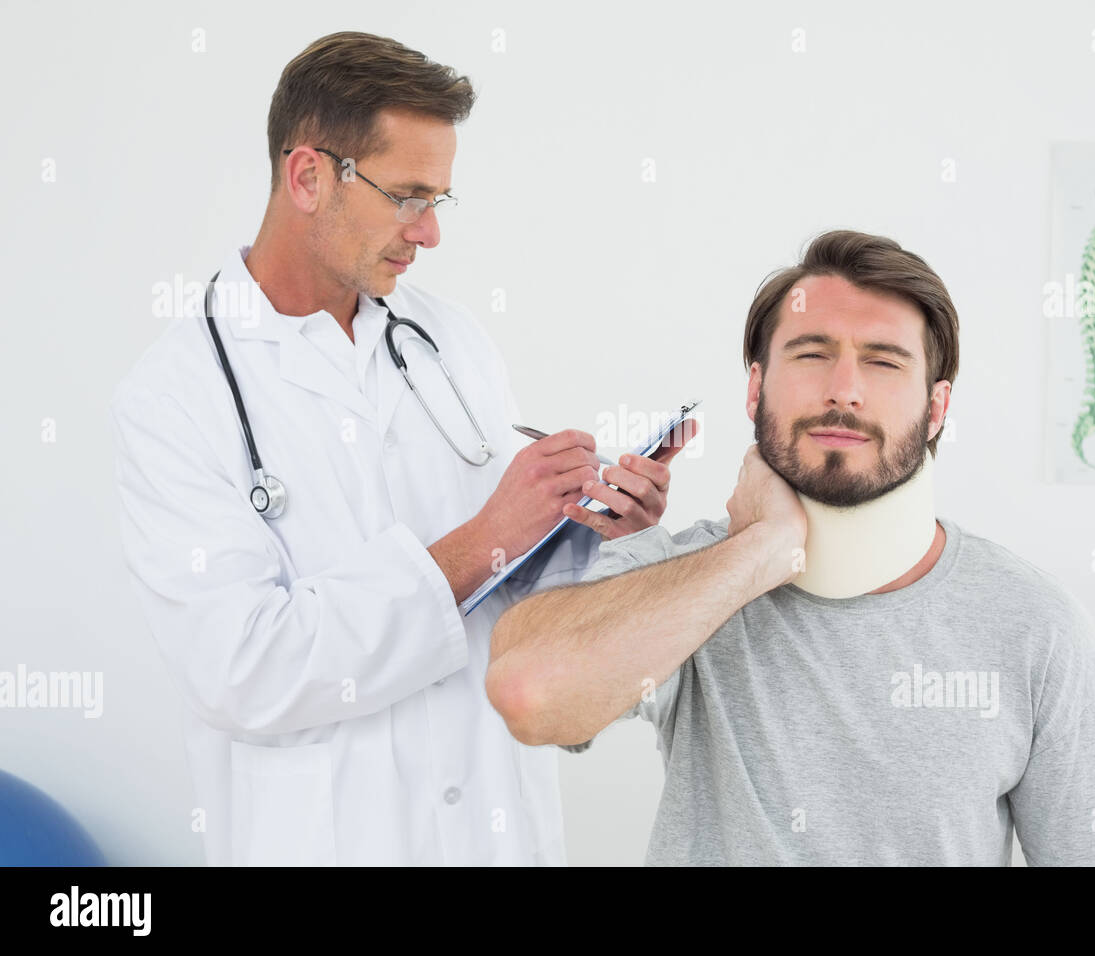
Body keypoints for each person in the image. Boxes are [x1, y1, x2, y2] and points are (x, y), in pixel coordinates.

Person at [109, 31, 695, 866]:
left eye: (439, 201)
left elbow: (509, 597)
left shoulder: (449, 342)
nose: (429, 235)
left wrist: (588, 529)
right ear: (308, 176)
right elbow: (241, 668)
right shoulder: (175, 396)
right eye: (407, 196)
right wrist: (485, 537)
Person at [487, 230, 1095, 866]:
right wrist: (760, 550)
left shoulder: (1035, 628)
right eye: (810, 352)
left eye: (884, 360)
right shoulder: (681, 576)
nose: (844, 389)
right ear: (755, 387)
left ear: (937, 407)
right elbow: (528, 690)